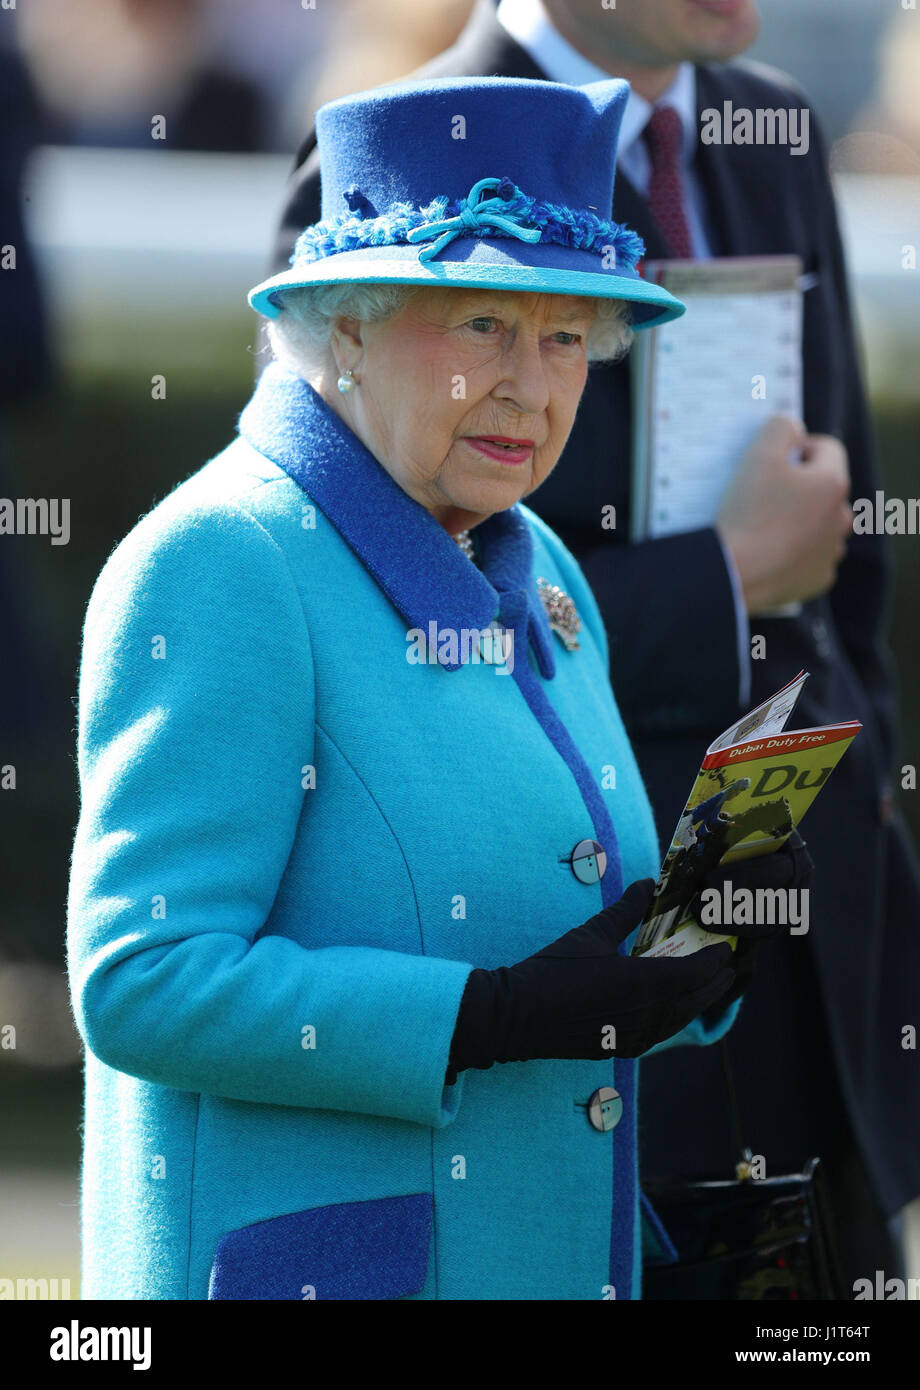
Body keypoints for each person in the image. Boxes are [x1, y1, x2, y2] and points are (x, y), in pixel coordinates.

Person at [66, 75, 810, 1301]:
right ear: (343, 326)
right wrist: (487, 1015)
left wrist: (695, 945)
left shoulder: (540, 566)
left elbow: (569, 973)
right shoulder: (223, 561)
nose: (531, 382)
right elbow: (142, 981)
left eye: (566, 335)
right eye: (479, 325)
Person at [269, 0, 920, 1290]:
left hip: (797, 933)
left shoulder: (772, 129)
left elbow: (843, 576)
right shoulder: (399, 150)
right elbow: (366, 626)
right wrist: (718, 580)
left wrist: (873, 856)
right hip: (566, 951)